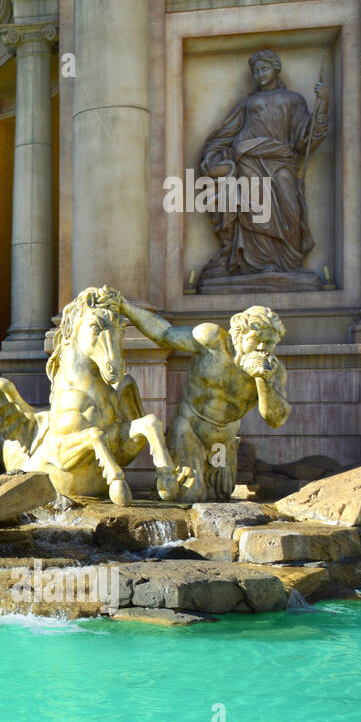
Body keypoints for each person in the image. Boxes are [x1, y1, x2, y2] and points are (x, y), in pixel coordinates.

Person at [115, 296, 290, 502]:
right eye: (256, 339)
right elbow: (164, 334)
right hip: (189, 430)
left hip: (223, 440)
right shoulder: (211, 339)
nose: (262, 348)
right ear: (240, 334)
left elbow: (275, 419)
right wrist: (125, 307)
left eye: (270, 342)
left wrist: (263, 379)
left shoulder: (273, 372)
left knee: (220, 495)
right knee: (189, 494)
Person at [199, 49, 329, 277]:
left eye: (264, 69)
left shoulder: (293, 100)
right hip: (249, 161)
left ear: (276, 69)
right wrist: (213, 155)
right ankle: (257, 264)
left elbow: (305, 138)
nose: (259, 74)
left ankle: (287, 264)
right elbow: (225, 133)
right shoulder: (248, 103)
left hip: (282, 162)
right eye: (256, 71)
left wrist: (323, 104)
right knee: (256, 210)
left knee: (290, 209)